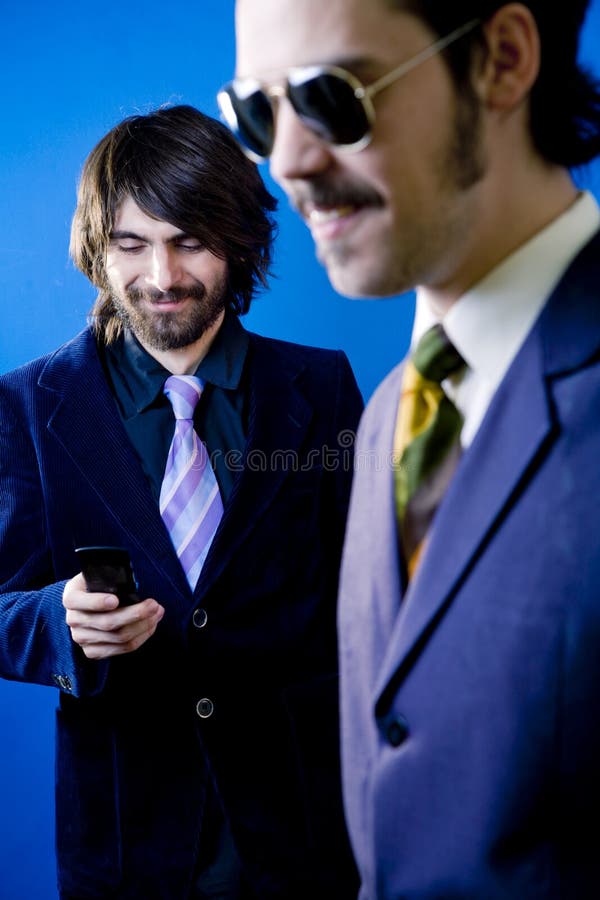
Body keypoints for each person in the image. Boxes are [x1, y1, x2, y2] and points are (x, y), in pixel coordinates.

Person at [226, 1, 600, 897]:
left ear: (502, 60)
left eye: (331, 95)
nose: (286, 163)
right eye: (257, 113)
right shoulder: (391, 410)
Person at [0, 104, 363, 900]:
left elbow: (366, 601)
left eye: (189, 242)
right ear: (98, 250)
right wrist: (53, 619)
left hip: (303, 839)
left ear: (237, 244)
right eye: (131, 245)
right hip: (126, 845)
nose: (162, 278)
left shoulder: (324, 387)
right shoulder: (26, 406)